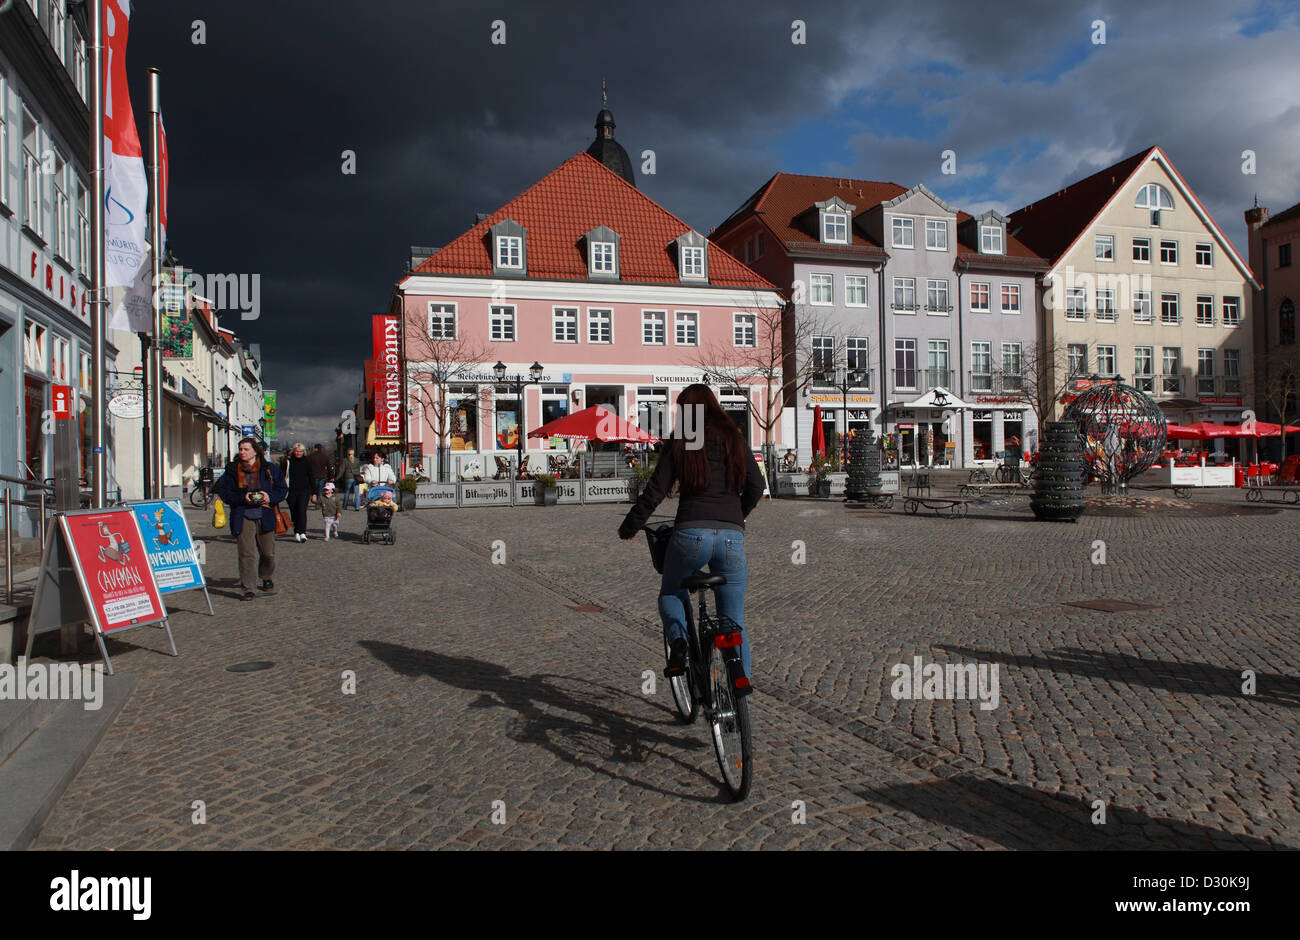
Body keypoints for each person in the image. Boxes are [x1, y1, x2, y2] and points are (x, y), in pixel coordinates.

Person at [618, 384, 765, 681]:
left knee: (671, 592)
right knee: (733, 622)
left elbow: (655, 492)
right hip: (731, 538)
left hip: (690, 536)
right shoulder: (733, 438)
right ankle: (741, 708)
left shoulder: (681, 441)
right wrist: (738, 518)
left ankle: (680, 642)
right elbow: (756, 486)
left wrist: (630, 527)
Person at [213, 437, 288, 600]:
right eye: (240, 449)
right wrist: (242, 497)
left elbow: (282, 489)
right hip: (243, 514)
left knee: (268, 553)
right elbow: (224, 492)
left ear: (255, 451)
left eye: (246, 449)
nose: (242, 452)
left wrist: (269, 496)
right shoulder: (232, 470)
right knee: (247, 553)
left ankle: (266, 576)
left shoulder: (269, 469)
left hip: (265, 513)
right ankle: (248, 587)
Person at [280, 442, 313, 542]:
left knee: (302, 511)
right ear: (293, 452)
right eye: (297, 451)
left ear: (303, 452)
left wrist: (314, 492)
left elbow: (311, 477)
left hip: (304, 490)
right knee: (294, 512)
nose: (298, 453)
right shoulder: (287, 462)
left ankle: (302, 532)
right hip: (291, 491)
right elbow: (281, 476)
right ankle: (296, 531)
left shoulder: (307, 462)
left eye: (300, 451)